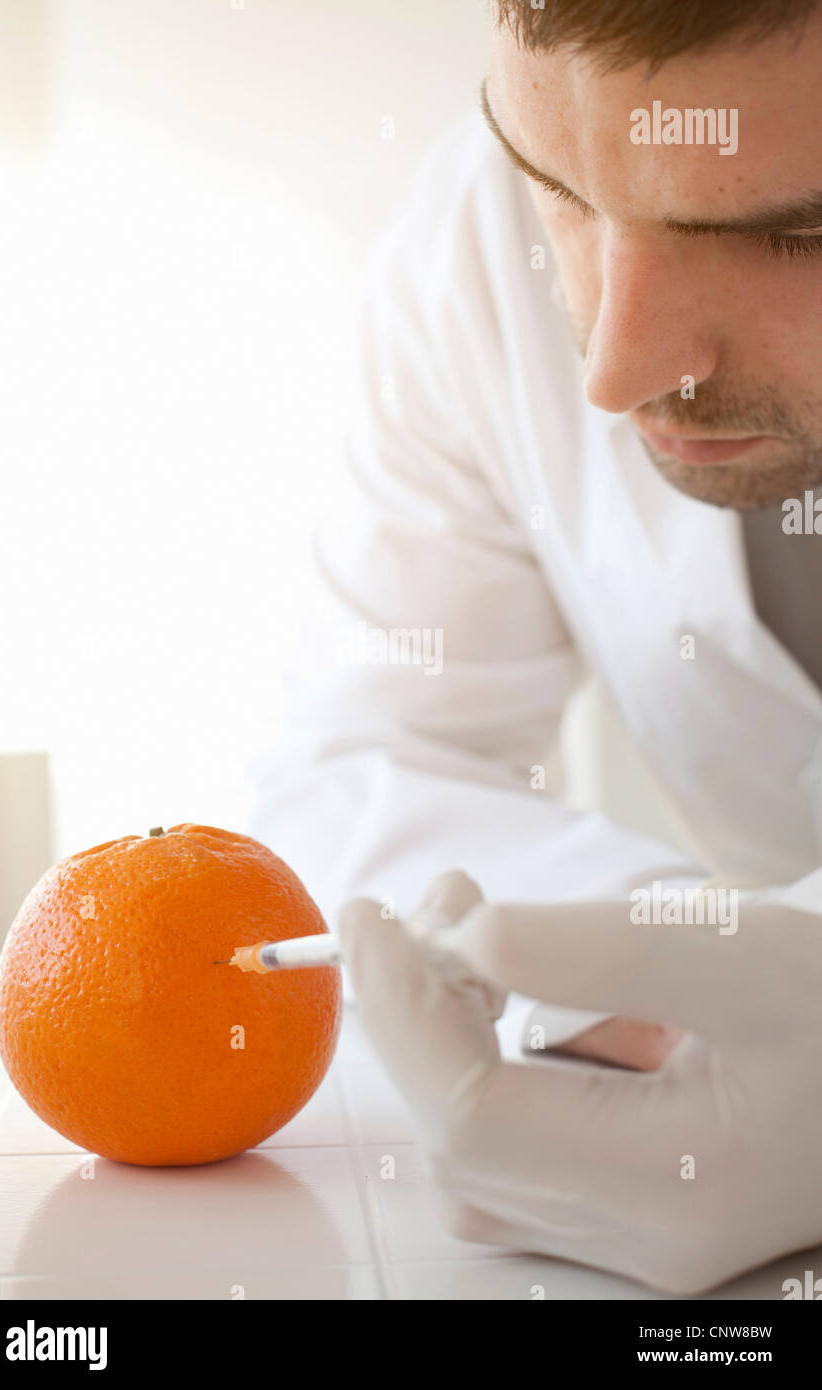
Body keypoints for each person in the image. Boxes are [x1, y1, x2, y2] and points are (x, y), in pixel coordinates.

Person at [248, 0, 822, 1292]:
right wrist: (687, 971)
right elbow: (363, 756)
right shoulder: (468, 246)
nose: (611, 372)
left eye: (795, 230)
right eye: (552, 186)